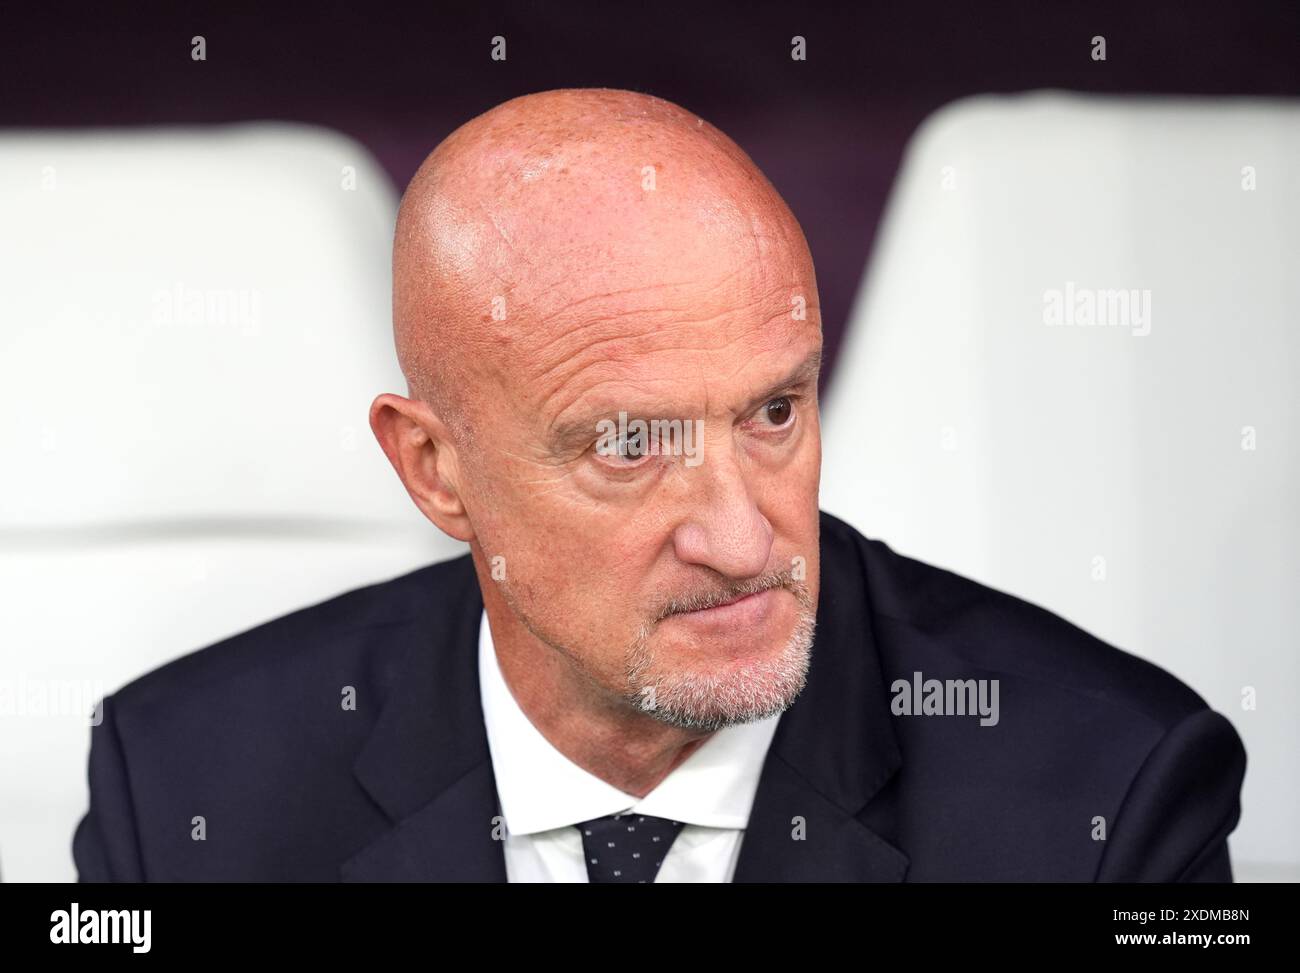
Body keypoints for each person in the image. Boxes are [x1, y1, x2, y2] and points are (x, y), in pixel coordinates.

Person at [73, 88, 1245, 882]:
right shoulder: (184, 790)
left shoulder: (1110, 797)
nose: (744, 542)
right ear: (434, 470)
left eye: (774, 412)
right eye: (629, 447)